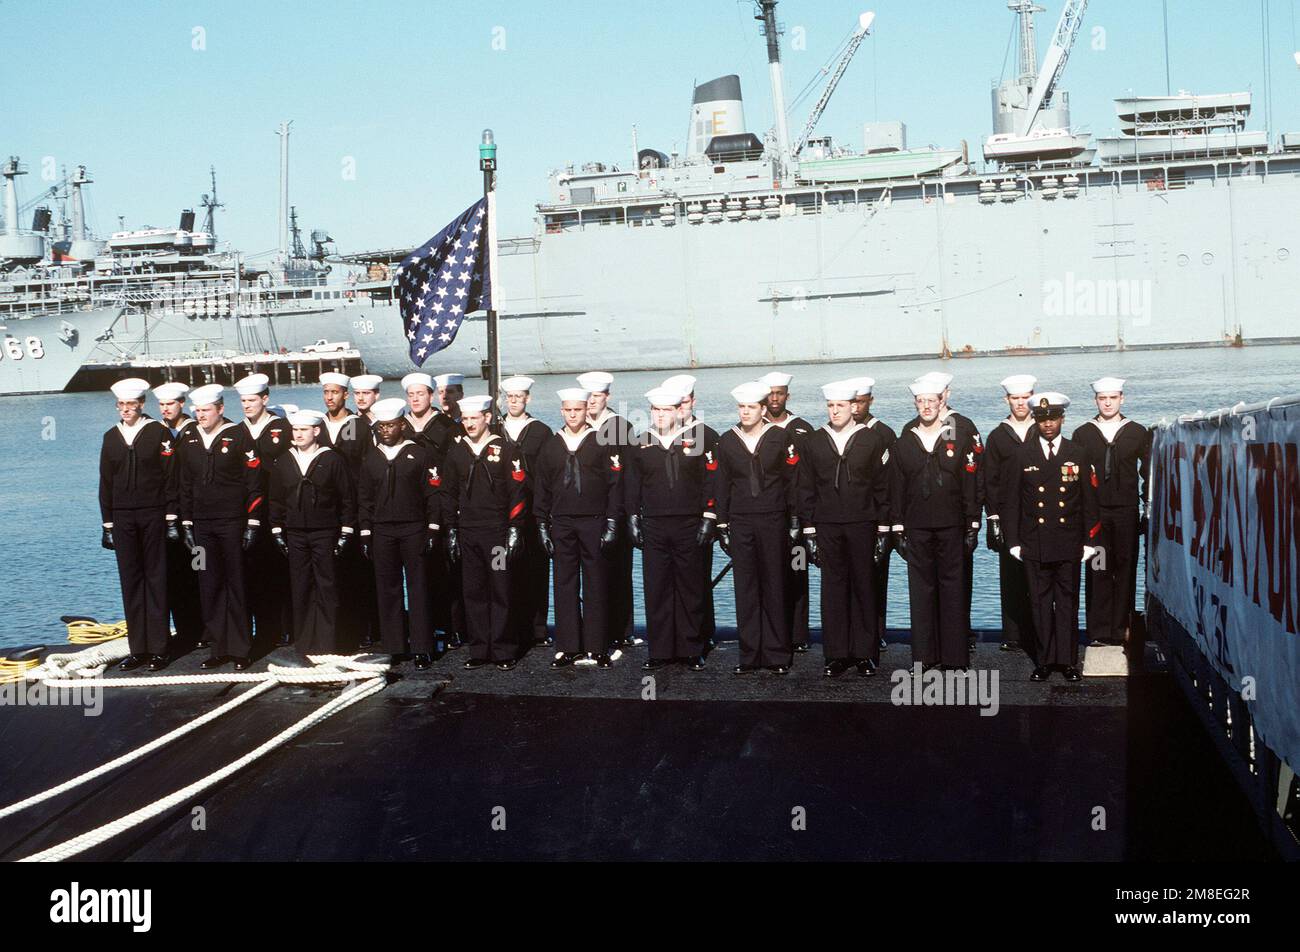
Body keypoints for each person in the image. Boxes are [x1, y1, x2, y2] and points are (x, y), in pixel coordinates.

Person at [1004, 393, 1101, 681]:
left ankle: (1068, 661)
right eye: (1042, 419)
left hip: (1069, 541)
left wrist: (1089, 541)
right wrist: (1013, 542)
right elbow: (1011, 501)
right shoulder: (1022, 455)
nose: (1048, 424)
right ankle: (1044, 661)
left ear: (1062, 419)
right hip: (1035, 542)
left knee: (1068, 602)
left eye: (1053, 418)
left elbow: (1089, 501)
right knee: (1040, 603)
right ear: (1036, 420)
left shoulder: (1077, 453)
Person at [797, 382, 892, 677]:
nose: (835, 410)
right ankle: (836, 654)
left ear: (854, 407)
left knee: (864, 586)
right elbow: (805, 487)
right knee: (833, 588)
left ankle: (865, 654)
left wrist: (884, 530)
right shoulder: (813, 441)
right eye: (830, 406)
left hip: (862, 522)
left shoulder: (872, 439)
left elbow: (883, 487)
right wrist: (809, 531)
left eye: (840, 405)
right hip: (827, 524)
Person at [890, 375, 980, 669]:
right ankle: (925, 657)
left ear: (942, 401)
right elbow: (897, 485)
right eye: (921, 401)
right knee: (921, 590)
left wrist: (972, 523)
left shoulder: (958, 433)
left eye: (932, 401)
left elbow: (969, 480)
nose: (926, 406)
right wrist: (898, 527)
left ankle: (955, 658)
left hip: (951, 523)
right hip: (917, 525)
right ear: (915, 403)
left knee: (952, 590)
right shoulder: (906, 438)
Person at [626, 386, 717, 670]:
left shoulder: (698, 439)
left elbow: (711, 480)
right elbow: (632, 484)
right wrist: (632, 517)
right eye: (656, 410)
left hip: (689, 522)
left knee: (690, 587)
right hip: (654, 523)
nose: (661, 415)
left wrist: (709, 516)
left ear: (679, 411)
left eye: (667, 410)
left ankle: (692, 648)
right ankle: (661, 650)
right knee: (657, 587)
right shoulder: (640, 441)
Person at [714, 381, 800, 674]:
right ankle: (750, 654)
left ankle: (777, 654)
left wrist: (795, 520)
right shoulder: (727, 440)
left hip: (773, 518)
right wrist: (722, 524)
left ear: (763, 409)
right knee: (746, 587)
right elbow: (722, 484)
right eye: (742, 407)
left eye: (752, 407)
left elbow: (792, 480)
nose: (746, 412)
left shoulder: (779, 437)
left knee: (775, 584)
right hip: (741, 521)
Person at [535, 387, 624, 667]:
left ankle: (597, 647)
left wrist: (612, 521)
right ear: (562, 411)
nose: (573, 415)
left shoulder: (601, 442)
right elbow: (542, 488)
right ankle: (568, 646)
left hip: (593, 521)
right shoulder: (551, 445)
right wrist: (541, 523)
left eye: (578, 410)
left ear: (587, 410)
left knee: (595, 583)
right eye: (568, 410)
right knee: (564, 583)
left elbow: (614, 486)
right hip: (561, 523)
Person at [176, 384, 263, 671]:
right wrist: (186, 522)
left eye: (206, 410)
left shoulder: (238, 436)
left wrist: (252, 522)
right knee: (208, 583)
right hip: (201, 527)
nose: (201, 415)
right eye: (197, 411)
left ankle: (240, 648)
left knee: (235, 583)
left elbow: (254, 482)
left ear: (220, 409)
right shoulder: (189, 439)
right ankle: (218, 647)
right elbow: (184, 484)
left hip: (232, 523)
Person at [439, 394, 528, 670]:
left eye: (474, 418)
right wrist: (451, 530)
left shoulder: (505, 449)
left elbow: (518, 491)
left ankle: (503, 650)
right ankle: (479, 649)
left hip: (496, 532)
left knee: (500, 589)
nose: (469, 424)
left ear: (487, 418)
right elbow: (447, 493)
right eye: (465, 419)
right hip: (469, 532)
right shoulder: (456, 452)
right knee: (474, 591)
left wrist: (515, 528)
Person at [99, 378, 176, 672]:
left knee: (156, 580)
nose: (126, 410)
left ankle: (159, 648)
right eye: (121, 405)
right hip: (122, 518)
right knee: (131, 582)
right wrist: (107, 524)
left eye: (131, 405)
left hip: (153, 514)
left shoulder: (157, 432)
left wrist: (171, 517)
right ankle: (138, 649)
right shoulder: (110, 437)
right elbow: (105, 482)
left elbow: (170, 477)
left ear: (141, 404)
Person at [357, 397, 441, 667]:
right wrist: (366, 532)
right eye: (381, 427)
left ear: (402, 426)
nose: (386, 431)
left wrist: (432, 528)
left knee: (419, 587)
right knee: (388, 589)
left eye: (391, 426)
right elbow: (364, 499)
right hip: (382, 531)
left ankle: (422, 646)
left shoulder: (419, 454)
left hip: (413, 528)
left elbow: (433, 494)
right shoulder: (371, 459)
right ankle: (394, 645)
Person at [268, 409, 356, 655]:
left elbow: (346, 498)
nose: (298, 434)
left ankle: (329, 644)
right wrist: (276, 529)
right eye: (295, 430)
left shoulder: (332, 459)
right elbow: (275, 499)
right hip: (295, 534)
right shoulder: (284, 461)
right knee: (301, 587)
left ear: (316, 431)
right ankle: (306, 645)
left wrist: (346, 531)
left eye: (303, 430)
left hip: (325, 532)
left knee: (327, 587)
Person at [1072, 377, 1151, 647]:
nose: (1107, 403)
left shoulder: (1137, 432)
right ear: (1096, 400)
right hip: (1095, 514)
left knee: (1125, 568)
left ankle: (1122, 629)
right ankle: (1098, 630)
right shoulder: (1083, 434)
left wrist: (1146, 505)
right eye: (1102, 398)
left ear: (1122, 399)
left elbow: (1148, 472)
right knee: (1098, 568)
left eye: (1113, 398)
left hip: (1126, 511)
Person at [402, 371, 463, 648]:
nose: (415, 399)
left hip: (440, 501)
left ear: (430, 396)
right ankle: (428, 626)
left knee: (446, 567)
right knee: (420, 571)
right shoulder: (399, 426)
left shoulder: (446, 426)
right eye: (411, 395)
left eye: (420, 394)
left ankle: (453, 627)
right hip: (412, 507)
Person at [579, 370, 639, 649]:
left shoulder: (620, 426)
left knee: (618, 570)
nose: (591, 401)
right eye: (588, 396)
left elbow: (630, 473)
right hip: (588, 511)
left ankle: (622, 629)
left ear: (607, 397)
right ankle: (596, 630)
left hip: (618, 509)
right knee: (592, 573)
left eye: (597, 396)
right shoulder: (577, 426)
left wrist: (630, 513)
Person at [318, 371, 379, 647]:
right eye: (326, 392)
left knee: (358, 569)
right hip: (326, 510)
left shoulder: (355, 426)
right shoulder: (317, 425)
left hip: (352, 507)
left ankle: (365, 626)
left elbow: (368, 467)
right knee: (333, 571)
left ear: (345, 395)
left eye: (335, 392)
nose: (330, 397)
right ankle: (338, 627)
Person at [234, 372, 294, 647]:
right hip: (250, 511)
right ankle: (264, 629)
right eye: (243, 401)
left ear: (264, 399)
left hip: (278, 508)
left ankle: (287, 627)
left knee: (281, 568)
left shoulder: (282, 427)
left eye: (252, 400)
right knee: (254, 570)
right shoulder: (238, 432)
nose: (247, 406)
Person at [983, 374, 1040, 652]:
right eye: (1014, 398)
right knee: (1011, 574)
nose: (1020, 403)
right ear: (1007, 400)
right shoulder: (997, 436)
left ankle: (1037, 629)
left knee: (1039, 573)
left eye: (1024, 397)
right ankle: (1012, 633)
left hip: (1039, 513)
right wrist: (992, 517)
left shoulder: (1043, 430)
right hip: (1009, 515)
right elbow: (989, 480)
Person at [663, 373, 720, 647]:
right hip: (668, 522)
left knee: (696, 580)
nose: (682, 408)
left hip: (697, 521)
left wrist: (710, 517)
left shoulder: (706, 435)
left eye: (685, 402)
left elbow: (714, 480)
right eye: (677, 403)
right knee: (667, 581)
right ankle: (672, 636)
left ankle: (702, 633)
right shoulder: (660, 436)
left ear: (693, 401)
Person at [760, 370, 814, 653]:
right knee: (769, 574)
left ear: (787, 396)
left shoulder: (803, 429)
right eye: (770, 394)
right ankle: (772, 630)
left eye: (779, 393)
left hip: (799, 516)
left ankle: (798, 633)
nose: (775, 399)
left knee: (797, 570)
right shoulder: (754, 428)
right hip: (768, 515)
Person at [496, 375, 552, 647]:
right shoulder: (495, 429)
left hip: (532, 511)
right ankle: (512, 626)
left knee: (536, 569)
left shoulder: (540, 431)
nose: (514, 401)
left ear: (527, 399)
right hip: (503, 512)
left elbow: (547, 474)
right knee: (506, 570)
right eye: (511, 397)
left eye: (519, 397)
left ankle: (538, 628)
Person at [843, 376, 895, 650]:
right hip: (849, 520)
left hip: (875, 520)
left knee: (876, 579)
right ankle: (851, 633)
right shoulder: (839, 432)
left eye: (860, 403)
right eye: (852, 403)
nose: (856, 408)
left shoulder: (883, 434)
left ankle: (876, 630)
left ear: (869, 402)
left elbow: (888, 480)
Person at [153, 381, 204, 653]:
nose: (165, 410)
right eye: (161, 405)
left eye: (170, 404)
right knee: (175, 576)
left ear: (181, 404)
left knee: (199, 570)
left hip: (192, 515)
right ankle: (186, 630)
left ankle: (203, 629)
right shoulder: (158, 433)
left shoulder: (194, 431)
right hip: (168, 516)